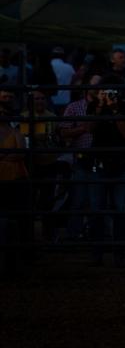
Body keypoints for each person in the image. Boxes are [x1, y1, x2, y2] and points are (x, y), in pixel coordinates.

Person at [87, 76, 125, 268]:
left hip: (120, 164)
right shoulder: (94, 108)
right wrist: (100, 107)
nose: (108, 96)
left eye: (111, 93)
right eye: (104, 93)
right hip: (99, 164)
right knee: (97, 211)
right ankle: (97, 252)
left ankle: (119, 253)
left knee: (120, 211)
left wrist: (115, 109)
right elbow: (89, 129)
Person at [59, 74, 102, 240]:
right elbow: (63, 132)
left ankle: (95, 234)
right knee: (79, 199)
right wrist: (83, 129)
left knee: (97, 200)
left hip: (101, 159)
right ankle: (75, 234)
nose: (97, 89)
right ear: (87, 87)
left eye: (100, 85)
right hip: (82, 158)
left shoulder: (106, 107)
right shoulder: (74, 107)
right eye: (94, 85)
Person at [19, 90, 59, 241]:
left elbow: (54, 138)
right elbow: (24, 139)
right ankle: (29, 236)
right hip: (31, 165)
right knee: (29, 201)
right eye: (36, 99)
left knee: (47, 200)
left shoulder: (52, 117)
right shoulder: (24, 117)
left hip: (48, 162)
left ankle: (47, 235)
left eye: (42, 98)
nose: (40, 101)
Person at [0, 90, 29, 278]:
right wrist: (10, 156)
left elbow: (22, 152)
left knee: (13, 218)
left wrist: (3, 156)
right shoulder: (14, 132)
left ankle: (14, 259)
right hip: (11, 176)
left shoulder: (14, 131)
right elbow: (19, 152)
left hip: (14, 178)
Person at [50, 47, 75, 113]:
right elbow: (73, 81)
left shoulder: (49, 66)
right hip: (65, 100)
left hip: (51, 100)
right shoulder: (69, 67)